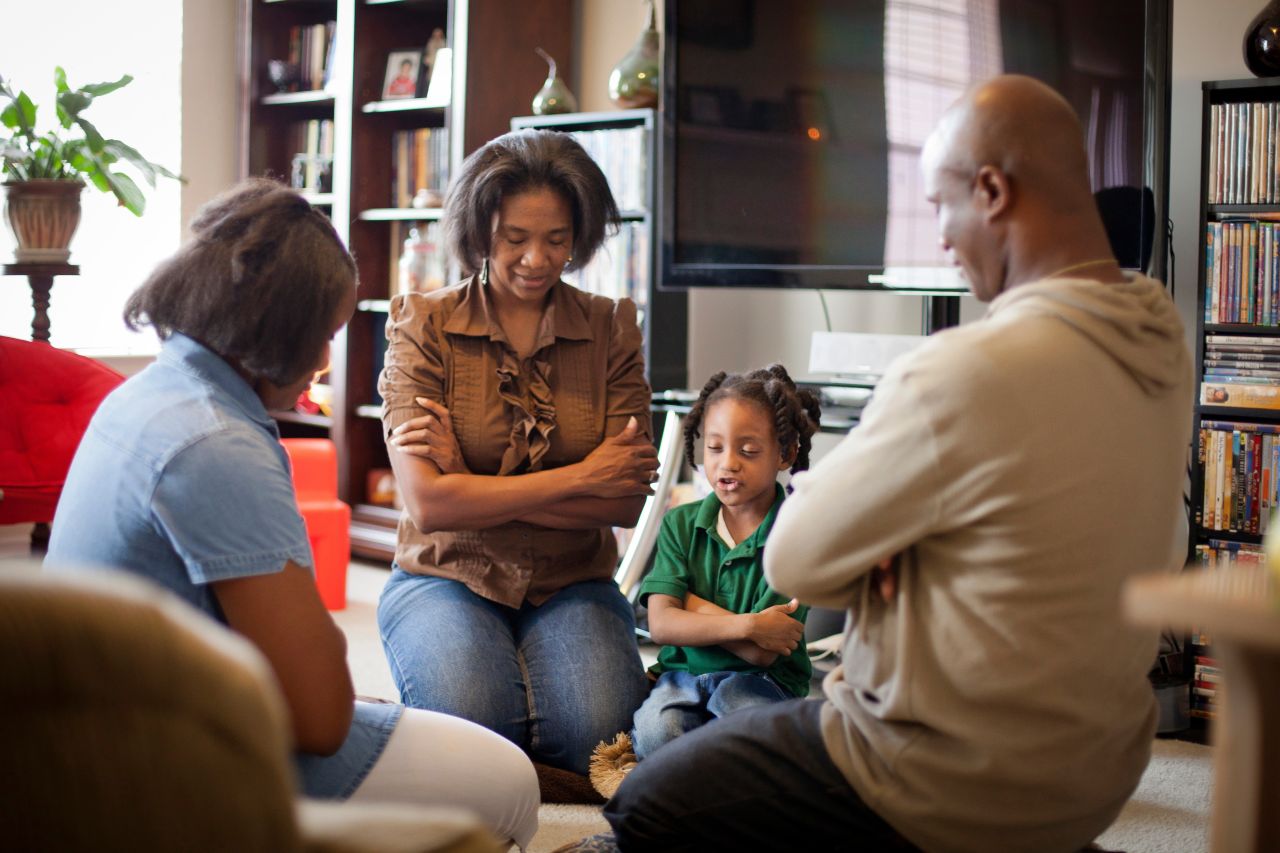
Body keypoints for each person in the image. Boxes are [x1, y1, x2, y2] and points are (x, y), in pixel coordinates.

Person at [602, 75, 1193, 852]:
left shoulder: (961, 371)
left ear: (992, 192)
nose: (940, 239)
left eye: (940, 205)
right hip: (1097, 772)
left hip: (933, 773)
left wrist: (888, 546)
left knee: (642, 805)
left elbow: (794, 555)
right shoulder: (1162, 343)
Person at [45, 178, 539, 849]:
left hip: (98, 736)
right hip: (171, 764)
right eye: (325, 335)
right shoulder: (216, 445)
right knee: (509, 780)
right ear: (278, 325)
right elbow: (320, 718)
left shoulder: (147, 394)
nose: (325, 361)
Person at [376, 129, 656, 778]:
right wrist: (583, 475)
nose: (537, 259)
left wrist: (467, 483)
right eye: (515, 238)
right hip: (446, 573)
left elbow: (623, 500)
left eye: (557, 239)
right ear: (480, 232)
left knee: (598, 739)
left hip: (572, 578)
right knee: (475, 736)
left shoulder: (611, 326)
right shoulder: (423, 324)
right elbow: (430, 505)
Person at [589, 364, 821, 798]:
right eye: (714, 448)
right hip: (680, 676)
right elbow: (662, 626)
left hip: (762, 683)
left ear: (785, 454)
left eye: (748, 450)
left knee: (740, 722)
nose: (726, 463)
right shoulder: (680, 524)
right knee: (657, 733)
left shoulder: (795, 533)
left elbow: (761, 654)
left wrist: (689, 605)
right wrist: (749, 624)